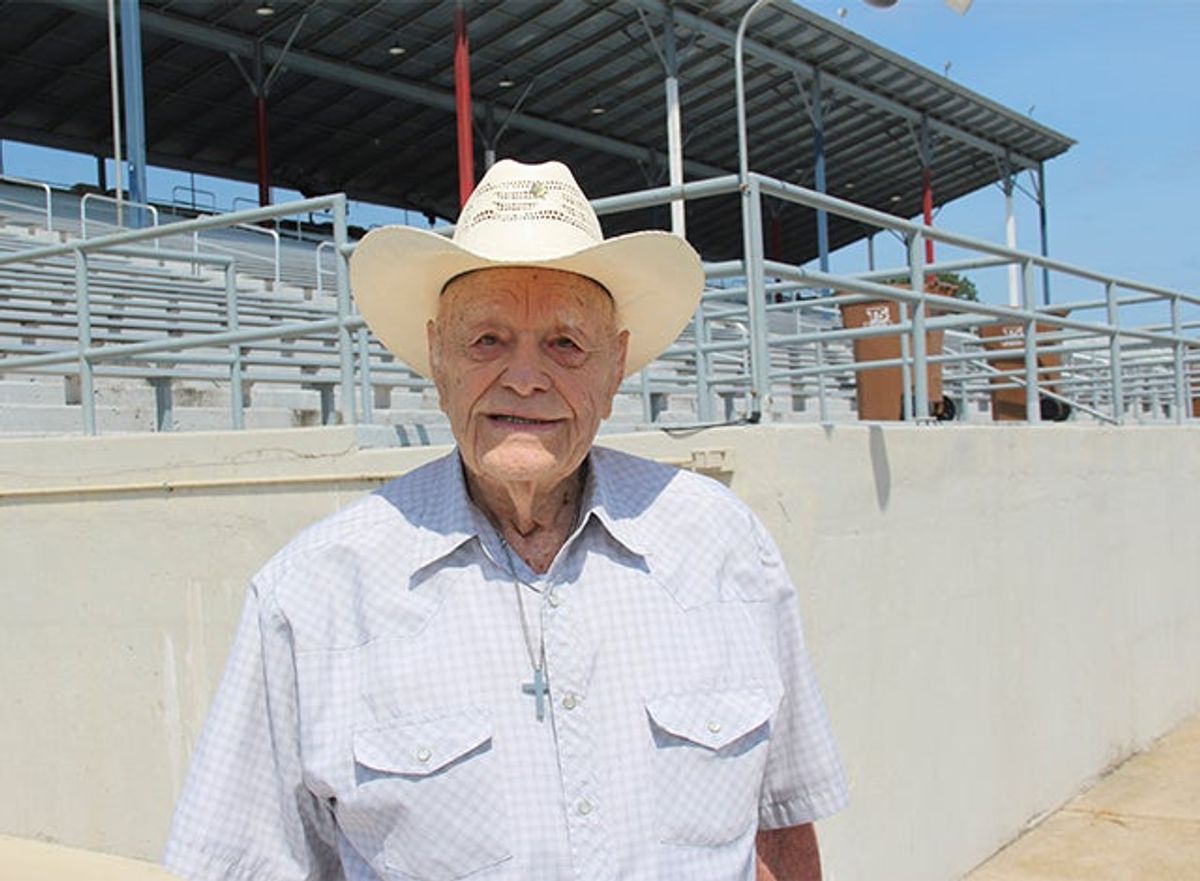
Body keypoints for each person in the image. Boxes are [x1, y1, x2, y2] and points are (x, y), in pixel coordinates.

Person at [163, 159, 847, 881]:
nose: (525, 376)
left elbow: (777, 829)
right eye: (488, 340)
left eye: (565, 343)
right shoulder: (310, 596)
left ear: (614, 367)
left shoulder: (727, 548)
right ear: (437, 357)